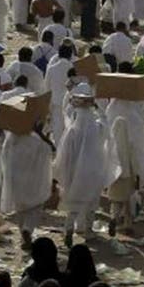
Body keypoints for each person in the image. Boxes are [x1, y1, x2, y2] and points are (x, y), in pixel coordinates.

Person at [53, 86, 111, 247]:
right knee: (91, 203)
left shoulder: (72, 130)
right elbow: (106, 123)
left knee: (74, 203)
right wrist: (97, 107)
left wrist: (73, 104)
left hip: (74, 171)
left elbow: (64, 154)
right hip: (93, 171)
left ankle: (69, 229)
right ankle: (88, 231)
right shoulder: (97, 127)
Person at [0, 115, 55, 247]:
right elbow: (51, 149)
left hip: (16, 180)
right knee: (35, 206)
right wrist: (40, 133)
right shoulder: (36, 141)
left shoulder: (10, 140)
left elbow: (3, 160)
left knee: (20, 208)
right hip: (33, 180)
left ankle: (23, 234)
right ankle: (27, 229)